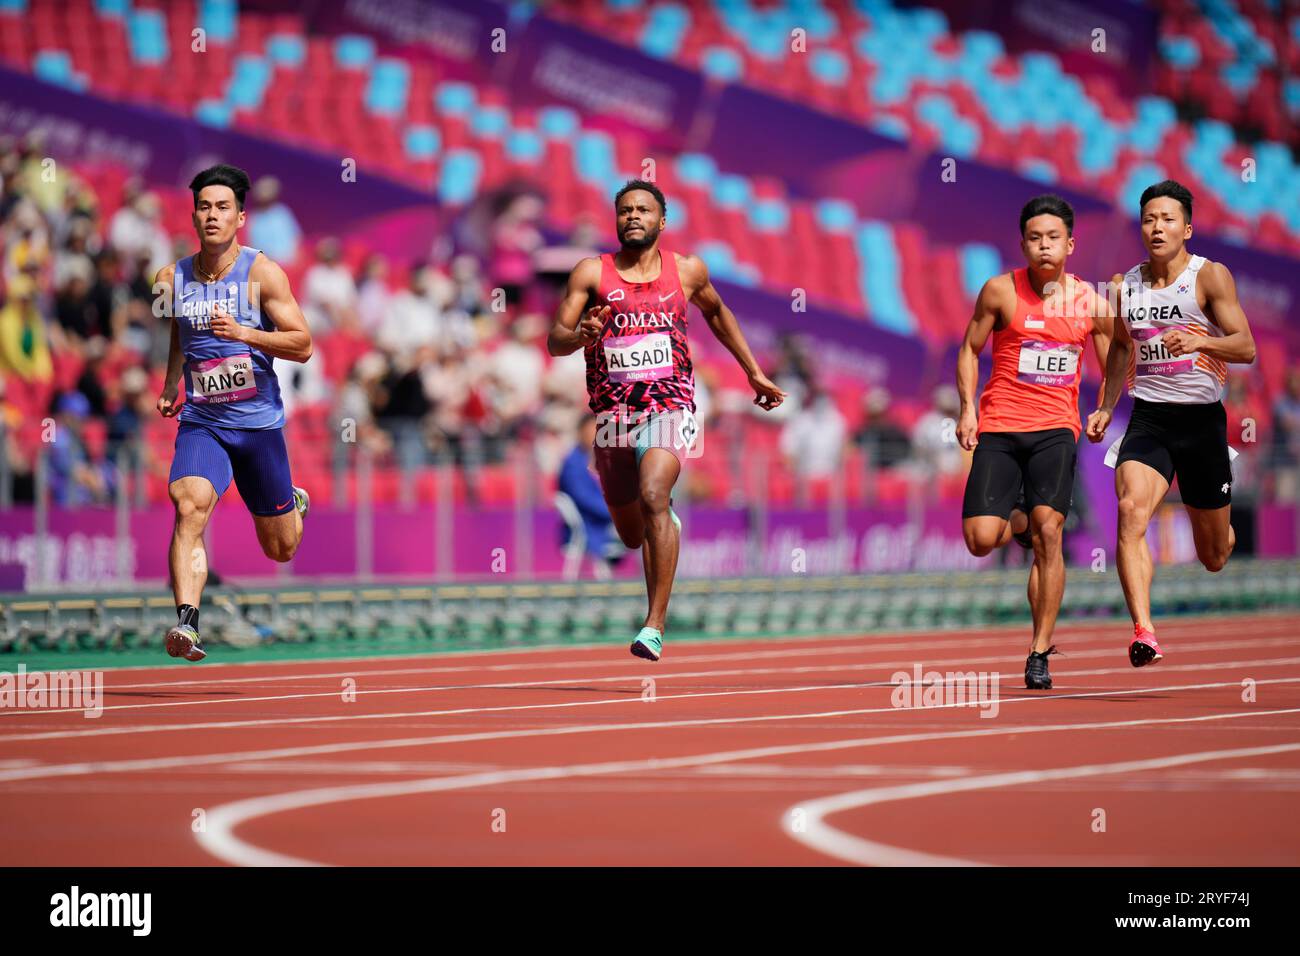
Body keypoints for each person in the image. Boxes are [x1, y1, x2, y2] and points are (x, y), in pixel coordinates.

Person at [547, 179, 785, 661]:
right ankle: (660, 522)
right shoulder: (591, 273)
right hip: (613, 415)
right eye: (625, 211)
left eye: (643, 210)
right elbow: (555, 338)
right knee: (633, 533)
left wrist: (754, 373)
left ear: (662, 220)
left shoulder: (688, 271)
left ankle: (654, 625)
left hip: (669, 405)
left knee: (655, 493)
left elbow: (719, 316)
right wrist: (580, 337)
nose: (633, 217)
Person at [1086, 180, 1256, 667]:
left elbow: (1245, 347)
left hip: (1201, 424)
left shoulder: (1210, 277)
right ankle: (1145, 631)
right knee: (1130, 509)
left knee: (1214, 555)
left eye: (1166, 219)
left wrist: (1201, 342)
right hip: (1150, 418)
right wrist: (1104, 404)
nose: (1156, 227)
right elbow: (1121, 348)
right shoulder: (1126, 285)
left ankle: (1217, 525)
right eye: (1148, 219)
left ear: (1187, 227)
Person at [156, 164, 313, 662]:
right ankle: (187, 623)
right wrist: (170, 382)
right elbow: (178, 331)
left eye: (222, 207)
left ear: (241, 216)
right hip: (203, 421)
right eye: (204, 206)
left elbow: (303, 344)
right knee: (189, 506)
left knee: (281, 549)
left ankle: (290, 501)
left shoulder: (263, 272)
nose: (212, 216)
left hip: (258, 425)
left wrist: (246, 333)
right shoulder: (170, 277)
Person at [957, 194, 1113, 690]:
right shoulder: (999, 292)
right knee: (981, 540)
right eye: (1034, 238)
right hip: (1000, 427)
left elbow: (1115, 363)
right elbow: (968, 350)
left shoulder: (1091, 303)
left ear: (1070, 243)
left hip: (1056, 430)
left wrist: (1106, 407)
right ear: (1022, 243)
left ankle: (1039, 651)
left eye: (1053, 237)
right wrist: (966, 409)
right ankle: (1017, 520)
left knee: (1051, 533)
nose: (1043, 246)